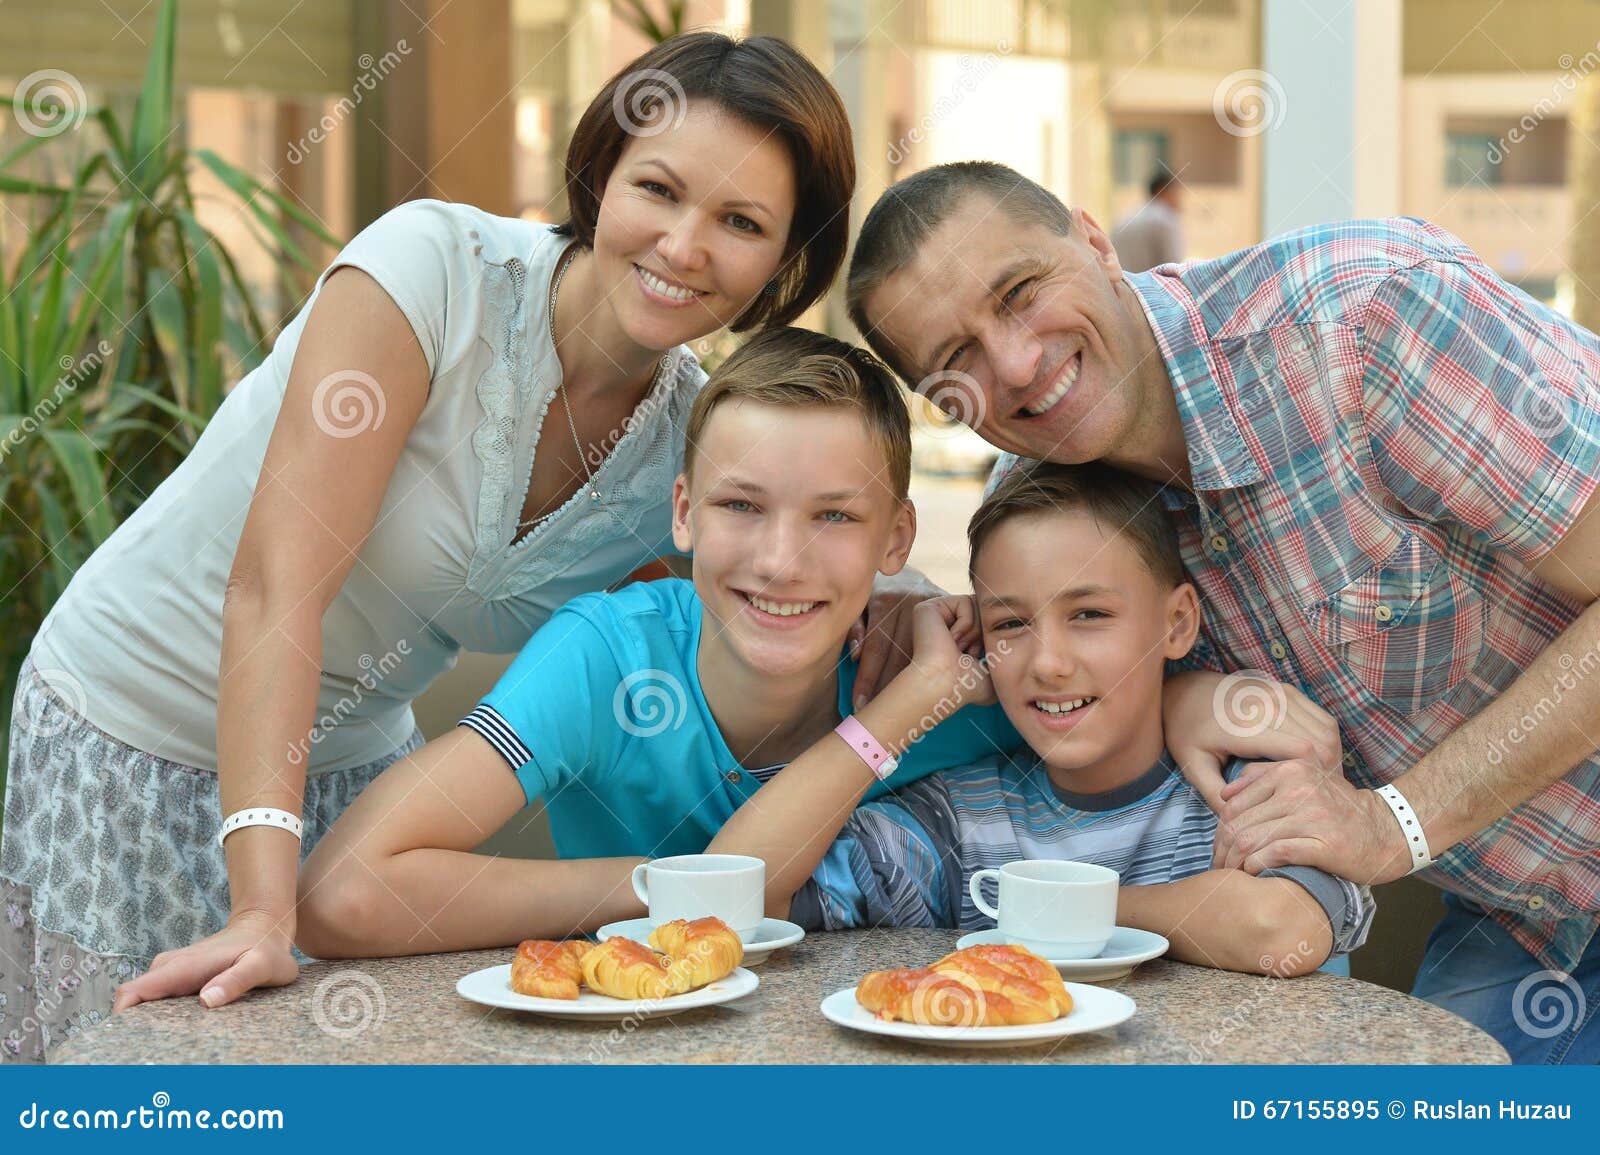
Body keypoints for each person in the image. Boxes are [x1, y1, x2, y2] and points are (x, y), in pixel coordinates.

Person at [0, 31, 880, 1062]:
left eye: (740, 222)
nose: (685, 246)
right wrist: (259, 907)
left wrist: (913, 626)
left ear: (786, 261)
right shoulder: (431, 273)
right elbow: (275, 585)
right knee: (118, 1094)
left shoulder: (681, 445)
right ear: (599, 177)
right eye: (659, 189)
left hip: (353, 775)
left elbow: (757, 578)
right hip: (131, 730)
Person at [842, 159, 1600, 1062]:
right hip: (1532, 915)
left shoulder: (1362, 322)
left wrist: (1393, 821)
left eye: (1020, 292)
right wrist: (1178, 694)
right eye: (955, 360)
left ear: (1094, 240)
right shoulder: (1047, 505)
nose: (1013, 364)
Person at [291, 327, 1018, 958]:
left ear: (896, 538)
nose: (780, 561)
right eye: (740, 504)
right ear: (683, 513)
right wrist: (661, 886)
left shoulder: (951, 679)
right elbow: (340, 893)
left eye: (834, 516)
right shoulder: (605, 657)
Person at [710, 459, 1373, 975]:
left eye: (1088, 614)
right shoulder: (961, 822)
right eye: (1010, 623)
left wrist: (1043, 908)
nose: (1049, 662)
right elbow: (728, 899)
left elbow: (1282, 927)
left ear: (1177, 623)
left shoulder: (1251, 777)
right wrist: (919, 693)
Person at [1110, 164, 1184, 272]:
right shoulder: (1165, 217)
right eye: (1177, 191)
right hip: (1147, 287)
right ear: (1162, 189)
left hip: (1119, 284)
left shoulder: (1128, 215)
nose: (1180, 197)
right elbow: (1174, 266)